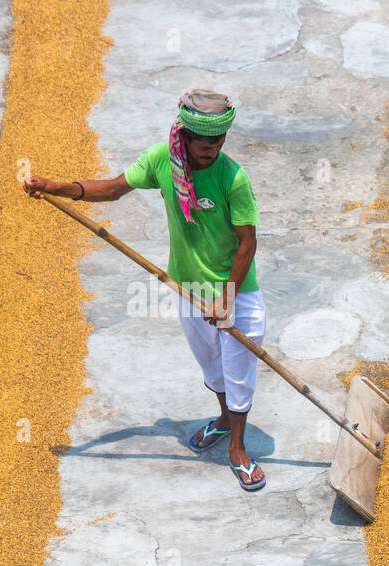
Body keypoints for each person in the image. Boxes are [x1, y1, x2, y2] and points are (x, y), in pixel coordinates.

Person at [24, 90, 267, 491]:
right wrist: (56, 186)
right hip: (186, 287)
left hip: (236, 291)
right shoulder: (162, 161)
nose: (213, 151)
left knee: (238, 371)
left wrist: (226, 297)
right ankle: (225, 420)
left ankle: (237, 449)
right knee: (211, 364)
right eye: (206, 145)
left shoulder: (233, 178)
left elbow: (247, 243)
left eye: (220, 143)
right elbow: (115, 188)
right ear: (185, 137)